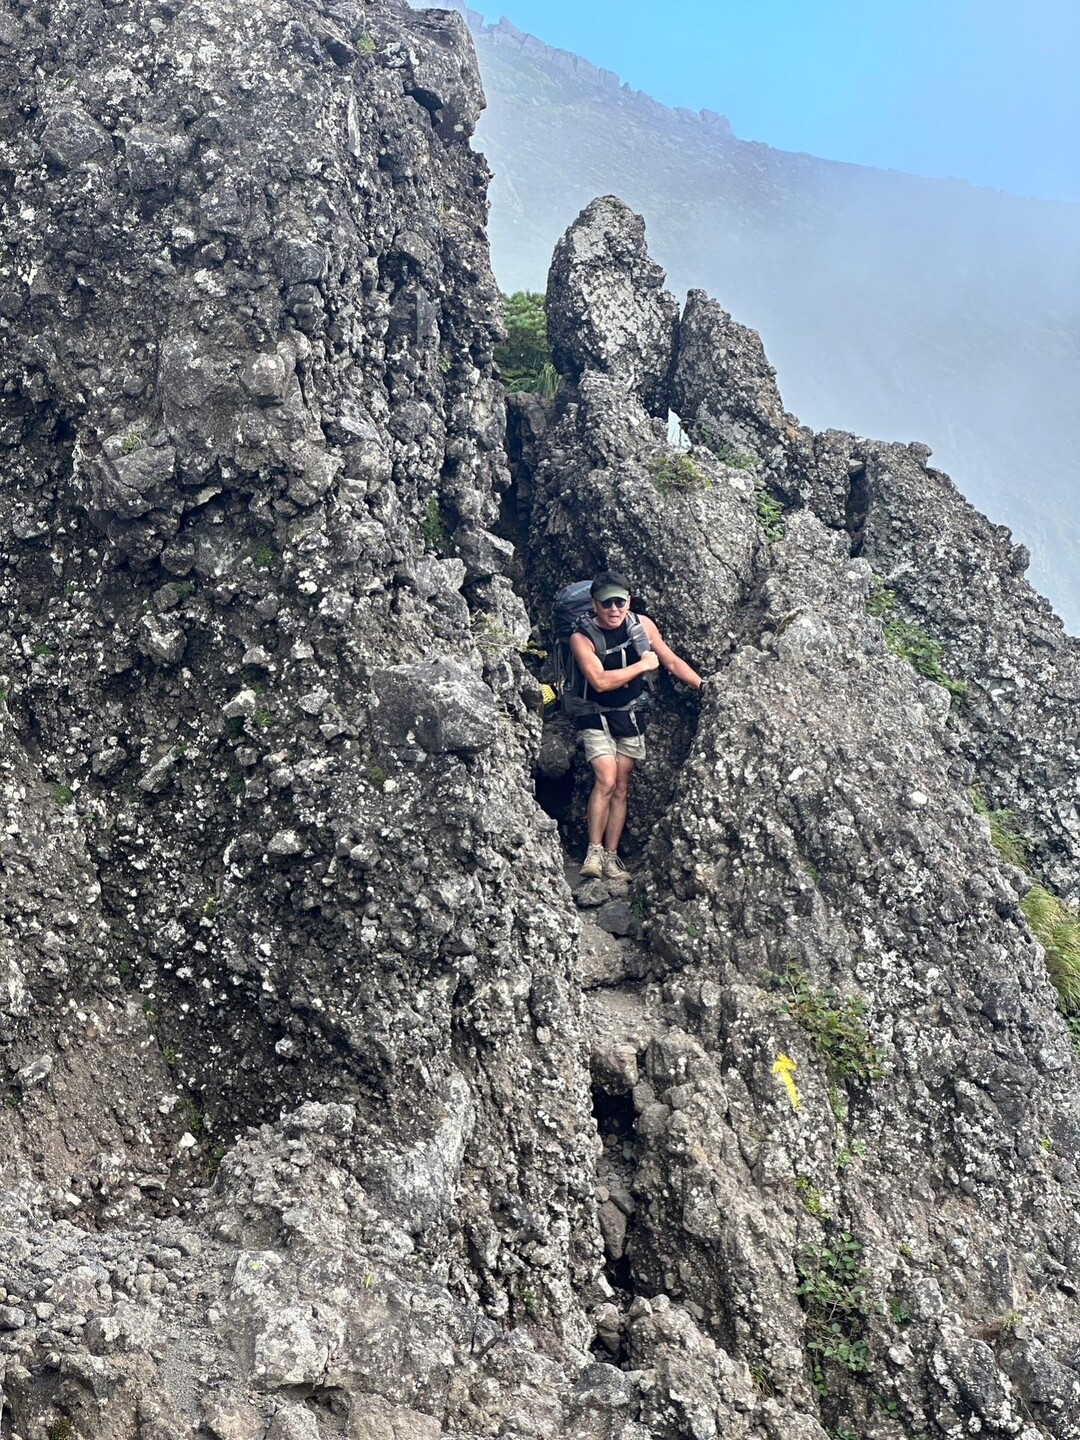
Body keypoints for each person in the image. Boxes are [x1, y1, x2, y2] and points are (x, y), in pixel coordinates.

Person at [571, 571, 703, 881]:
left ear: (628, 601)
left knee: (621, 784)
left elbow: (670, 661)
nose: (614, 610)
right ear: (594, 605)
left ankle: (612, 855)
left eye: (620, 602)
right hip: (595, 713)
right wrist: (643, 666)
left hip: (629, 714)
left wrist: (702, 685)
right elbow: (600, 682)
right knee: (605, 777)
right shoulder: (582, 637)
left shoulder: (642, 626)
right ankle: (594, 851)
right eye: (606, 604)